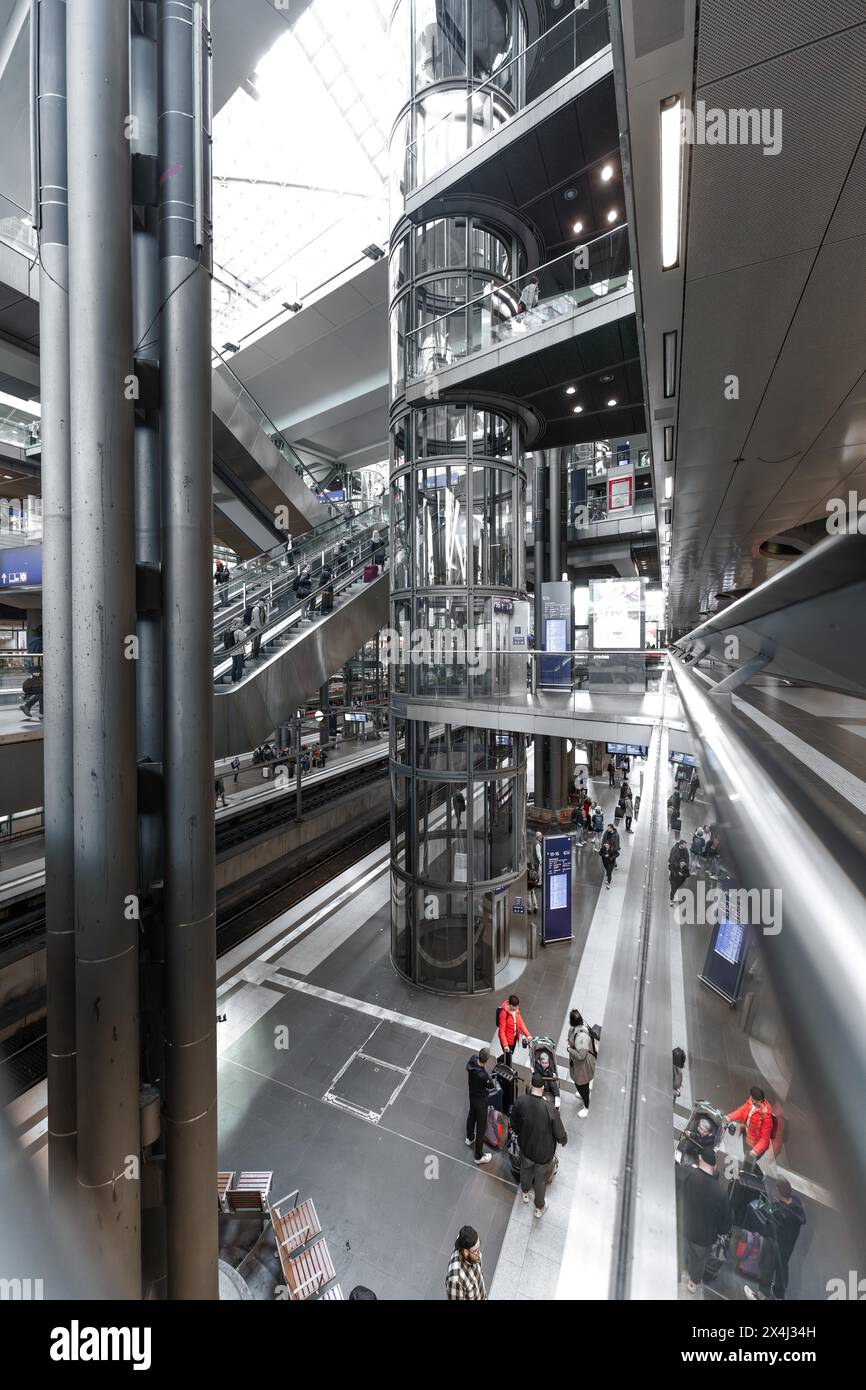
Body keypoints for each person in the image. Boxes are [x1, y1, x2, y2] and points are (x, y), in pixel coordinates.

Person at [510, 1073, 568, 1218]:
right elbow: (560, 1133)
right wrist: (563, 1140)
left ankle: (524, 1192)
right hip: (543, 1154)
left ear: (531, 1085)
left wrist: (518, 1132)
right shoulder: (550, 1109)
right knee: (540, 1181)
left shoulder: (521, 1101)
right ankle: (538, 1208)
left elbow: (514, 1122)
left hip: (527, 1148)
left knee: (525, 1170)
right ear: (542, 1088)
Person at [743, 1178, 806, 1302]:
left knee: (768, 1267)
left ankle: (761, 1295)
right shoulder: (797, 1205)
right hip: (788, 1246)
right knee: (782, 1267)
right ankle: (778, 1294)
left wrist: (762, 1206)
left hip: (776, 1244)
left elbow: (767, 1216)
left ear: (779, 1191)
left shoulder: (779, 1211)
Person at [680, 1150, 730, 1296]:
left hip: (685, 1228)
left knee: (681, 1250)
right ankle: (693, 1283)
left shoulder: (690, 1177)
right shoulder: (721, 1193)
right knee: (699, 1261)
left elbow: (681, 1197)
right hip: (703, 1238)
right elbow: (726, 1223)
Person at [726, 1086, 774, 1166]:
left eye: (753, 1100)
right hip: (747, 1136)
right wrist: (729, 1117)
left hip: (755, 1144)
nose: (751, 1101)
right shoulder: (751, 1103)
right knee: (746, 1155)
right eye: (751, 1098)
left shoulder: (766, 1117)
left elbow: (765, 1139)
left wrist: (755, 1151)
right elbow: (741, 1111)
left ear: (759, 1101)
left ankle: (753, 1174)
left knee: (749, 1163)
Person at [465, 1048, 495, 1166]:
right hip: (481, 1101)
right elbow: (491, 1086)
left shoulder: (472, 1060)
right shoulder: (483, 1075)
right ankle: (478, 1156)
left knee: (471, 1116)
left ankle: (469, 1137)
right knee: (481, 1127)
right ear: (486, 1060)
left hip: (472, 1096)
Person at [445, 1226, 487, 1301]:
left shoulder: (466, 1242)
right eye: (476, 1251)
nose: (479, 1254)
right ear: (465, 1252)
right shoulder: (455, 1279)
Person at [567, 1009, 595, 1117]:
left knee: (581, 1084)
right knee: (581, 1084)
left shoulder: (582, 1036)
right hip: (578, 1065)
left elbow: (581, 1055)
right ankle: (585, 1094)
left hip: (584, 1066)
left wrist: (569, 1050)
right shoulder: (577, 1027)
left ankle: (587, 1105)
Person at [497, 994, 530, 1066]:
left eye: (517, 1006)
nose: (516, 1008)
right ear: (509, 1004)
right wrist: (505, 1045)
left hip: (513, 1038)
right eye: (514, 1006)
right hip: (507, 1040)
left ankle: (500, 1060)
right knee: (508, 1057)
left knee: (510, 1054)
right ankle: (507, 1067)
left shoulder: (516, 1010)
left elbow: (520, 1022)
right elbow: (501, 1031)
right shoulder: (504, 1013)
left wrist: (528, 1035)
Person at [669, 838, 690, 904]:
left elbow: (687, 858)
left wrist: (685, 864)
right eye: (684, 845)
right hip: (675, 871)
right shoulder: (675, 849)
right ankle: (671, 899)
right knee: (674, 887)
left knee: (677, 886)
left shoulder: (685, 850)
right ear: (681, 845)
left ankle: (673, 894)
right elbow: (672, 860)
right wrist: (677, 865)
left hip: (680, 874)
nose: (686, 847)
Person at [600, 823, 620, 888]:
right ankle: (609, 871)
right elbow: (604, 838)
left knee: (611, 859)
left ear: (611, 828)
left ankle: (609, 875)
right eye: (607, 828)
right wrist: (603, 845)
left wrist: (616, 849)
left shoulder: (616, 835)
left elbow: (617, 843)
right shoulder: (606, 832)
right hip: (606, 847)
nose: (607, 829)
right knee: (608, 860)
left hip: (612, 849)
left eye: (609, 828)